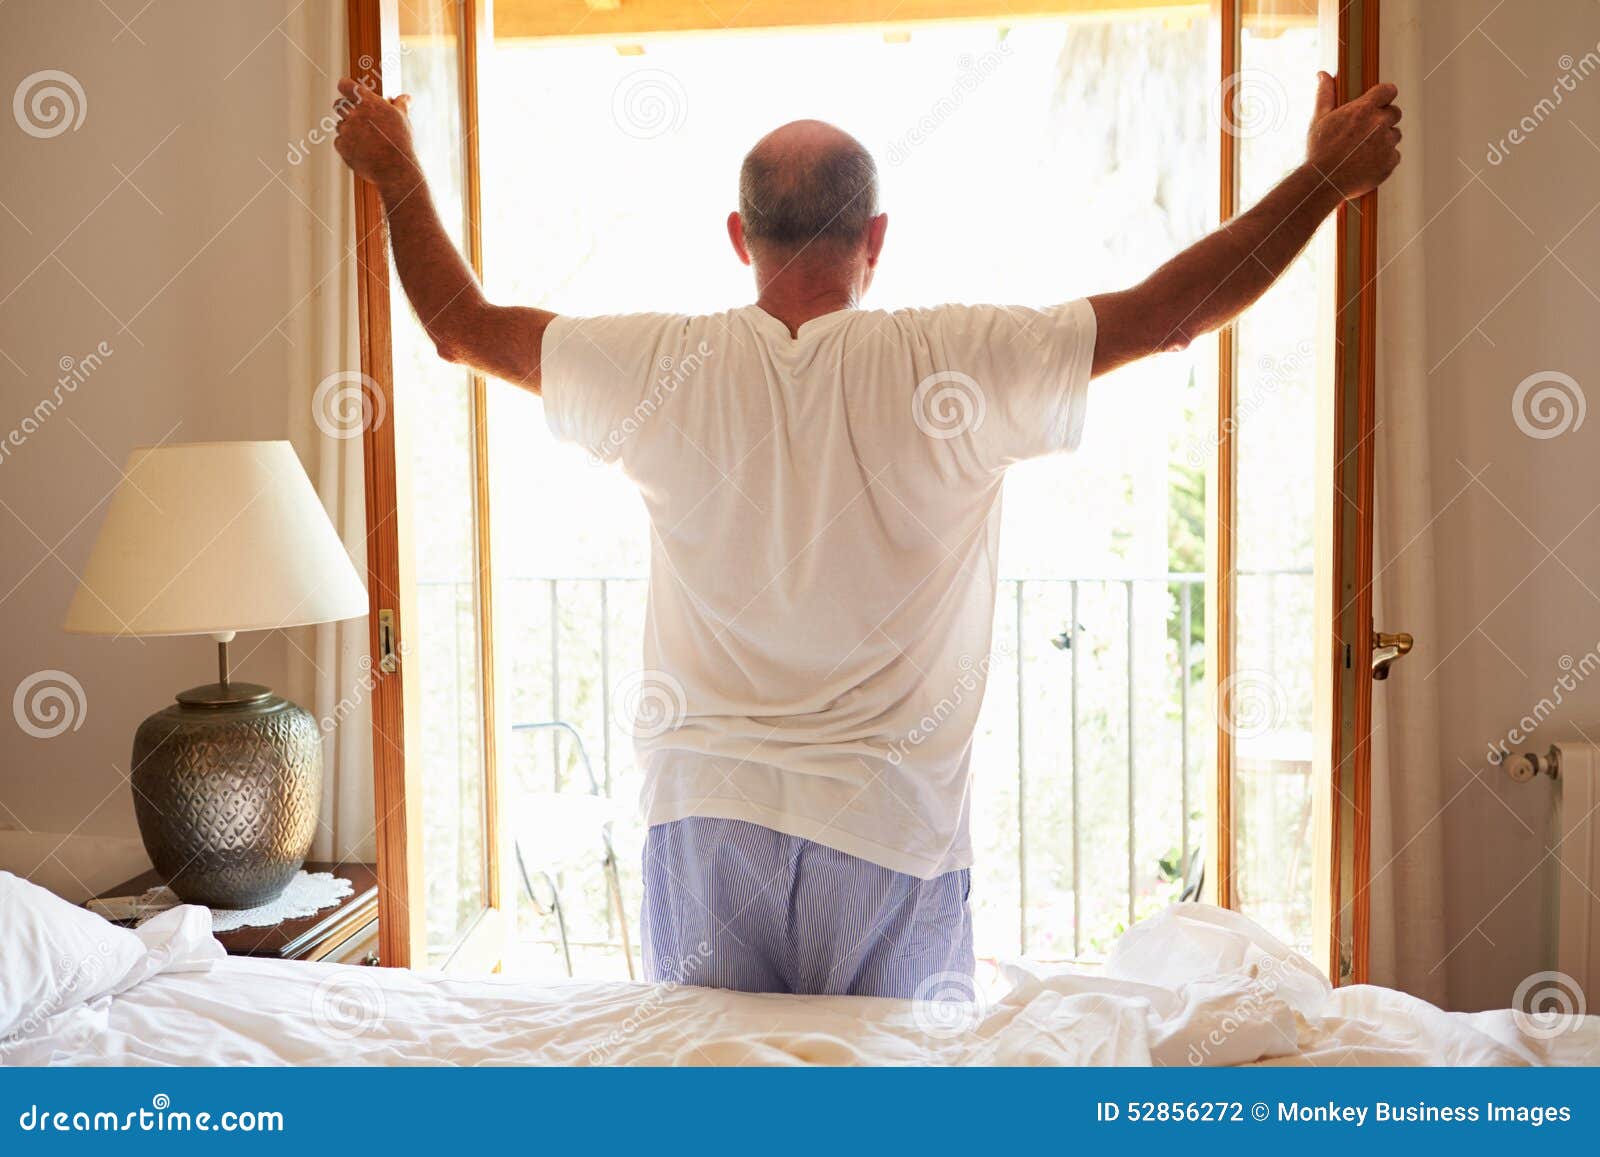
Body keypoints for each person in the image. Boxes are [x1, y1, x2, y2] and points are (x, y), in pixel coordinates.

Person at [332, 71, 1401, 999]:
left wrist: (395, 168)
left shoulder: (656, 367)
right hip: (887, 828)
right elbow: (1173, 311)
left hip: (707, 819)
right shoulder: (956, 359)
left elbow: (459, 327)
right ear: (874, 238)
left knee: (715, 1111)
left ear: (740, 239)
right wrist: (1320, 180)